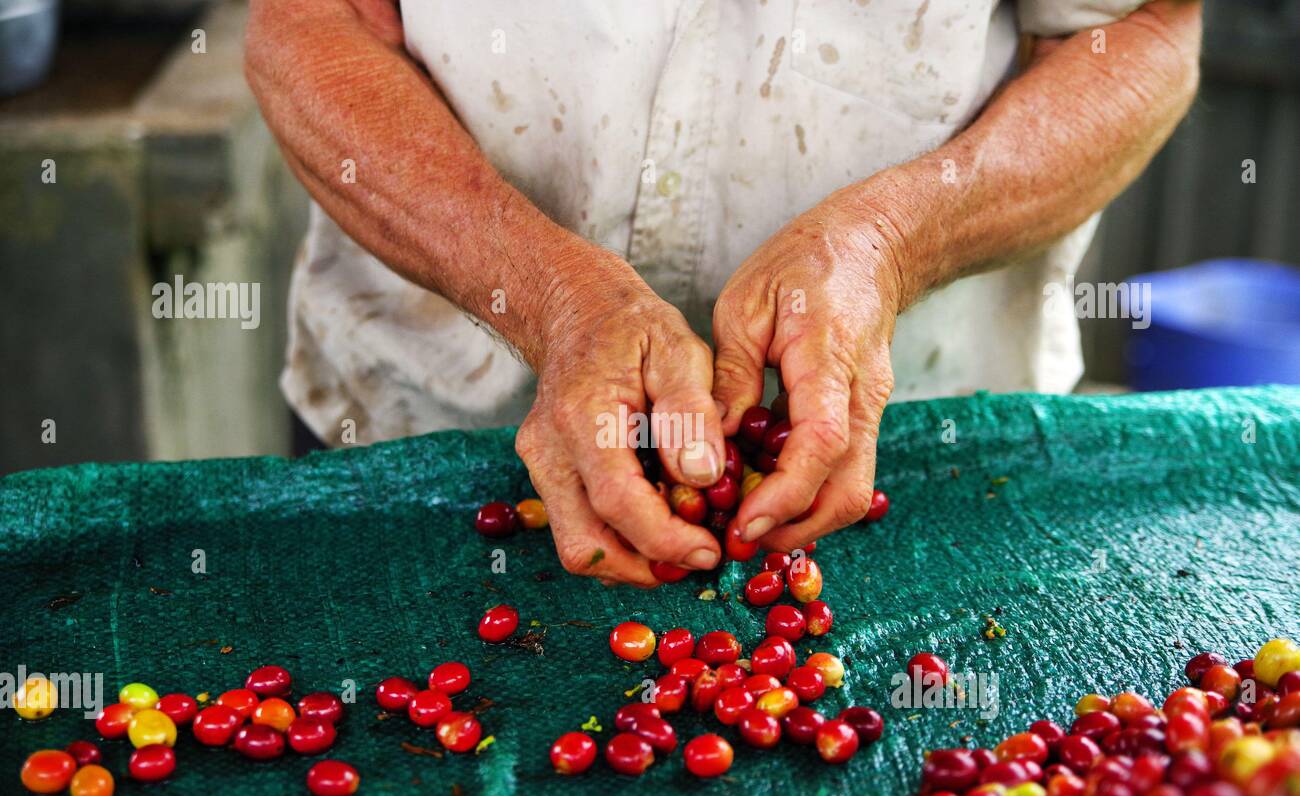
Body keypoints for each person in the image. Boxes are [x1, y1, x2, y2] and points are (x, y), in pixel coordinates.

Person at [246, 0, 1201, 585]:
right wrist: (537, 286)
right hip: (424, 406)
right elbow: (312, 19)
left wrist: (892, 242)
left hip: (915, 434)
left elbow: (1142, 32)